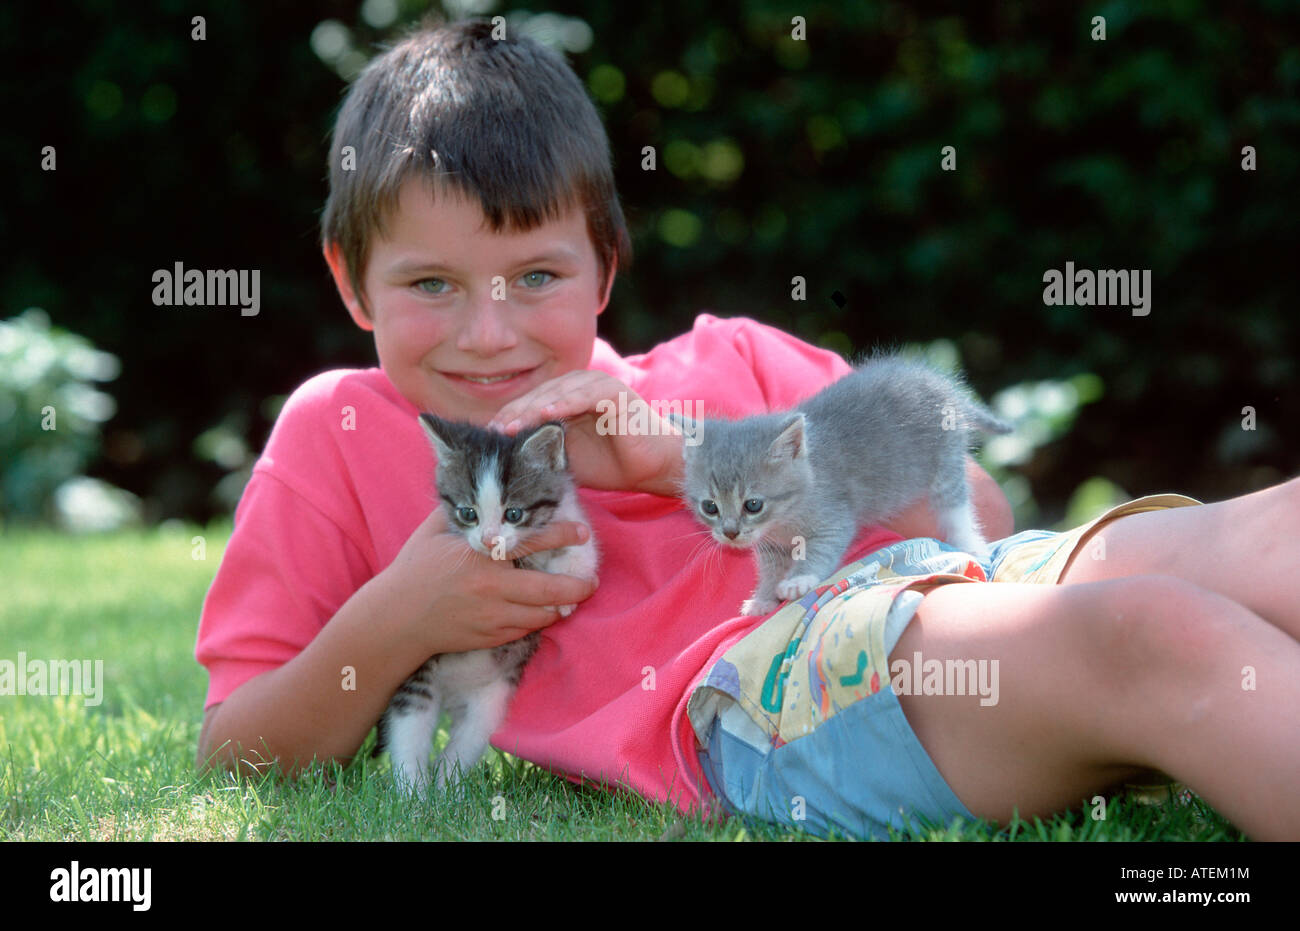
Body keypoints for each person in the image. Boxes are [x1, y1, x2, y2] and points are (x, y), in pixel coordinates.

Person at [195, 20, 1300, 841]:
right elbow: (234, 750)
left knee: (1273, 537)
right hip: (764, 683)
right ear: (350, 283)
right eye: (431, 283)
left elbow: (987, 518)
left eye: (535, 275)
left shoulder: (733, 361)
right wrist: (397, 618)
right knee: (1160, 636)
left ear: (604, 268)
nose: (488, 334)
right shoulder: (341, 432)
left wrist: (677, 459)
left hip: (962, 581)